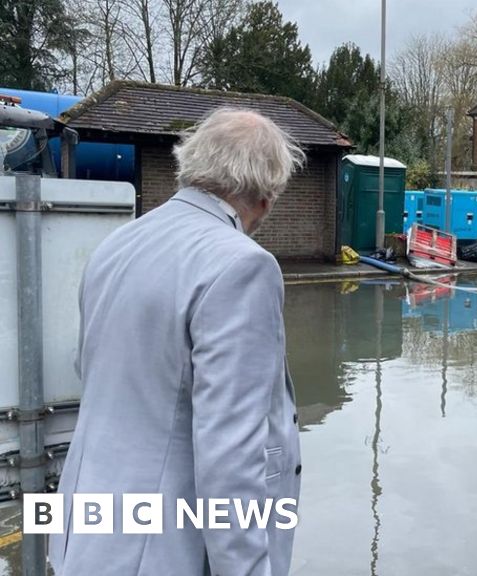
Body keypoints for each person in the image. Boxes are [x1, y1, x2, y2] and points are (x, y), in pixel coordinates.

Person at [50, 108, 306, 576]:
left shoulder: (117, 244)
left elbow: (87, 366)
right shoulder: (242, 266)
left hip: (85, 535)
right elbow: (231, 455)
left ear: (189, 166)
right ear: (267, 197)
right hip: (163, 551)